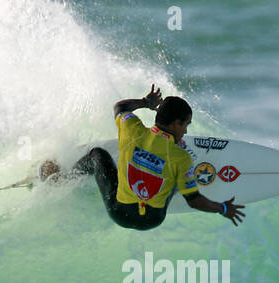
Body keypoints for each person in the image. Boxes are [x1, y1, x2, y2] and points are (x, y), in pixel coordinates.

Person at [43, 85, 246, 230]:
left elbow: (120, 108)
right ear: (176, 123)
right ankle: (177, 178)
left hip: (119, 213)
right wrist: (223, 208)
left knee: (98, 154)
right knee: (178, 176)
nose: (185, 130)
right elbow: (193, 201)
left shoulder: (132, 128)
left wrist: (146, 102)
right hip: (153, 219)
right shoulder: (181, 156)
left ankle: (63, 178)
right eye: (185, 125)